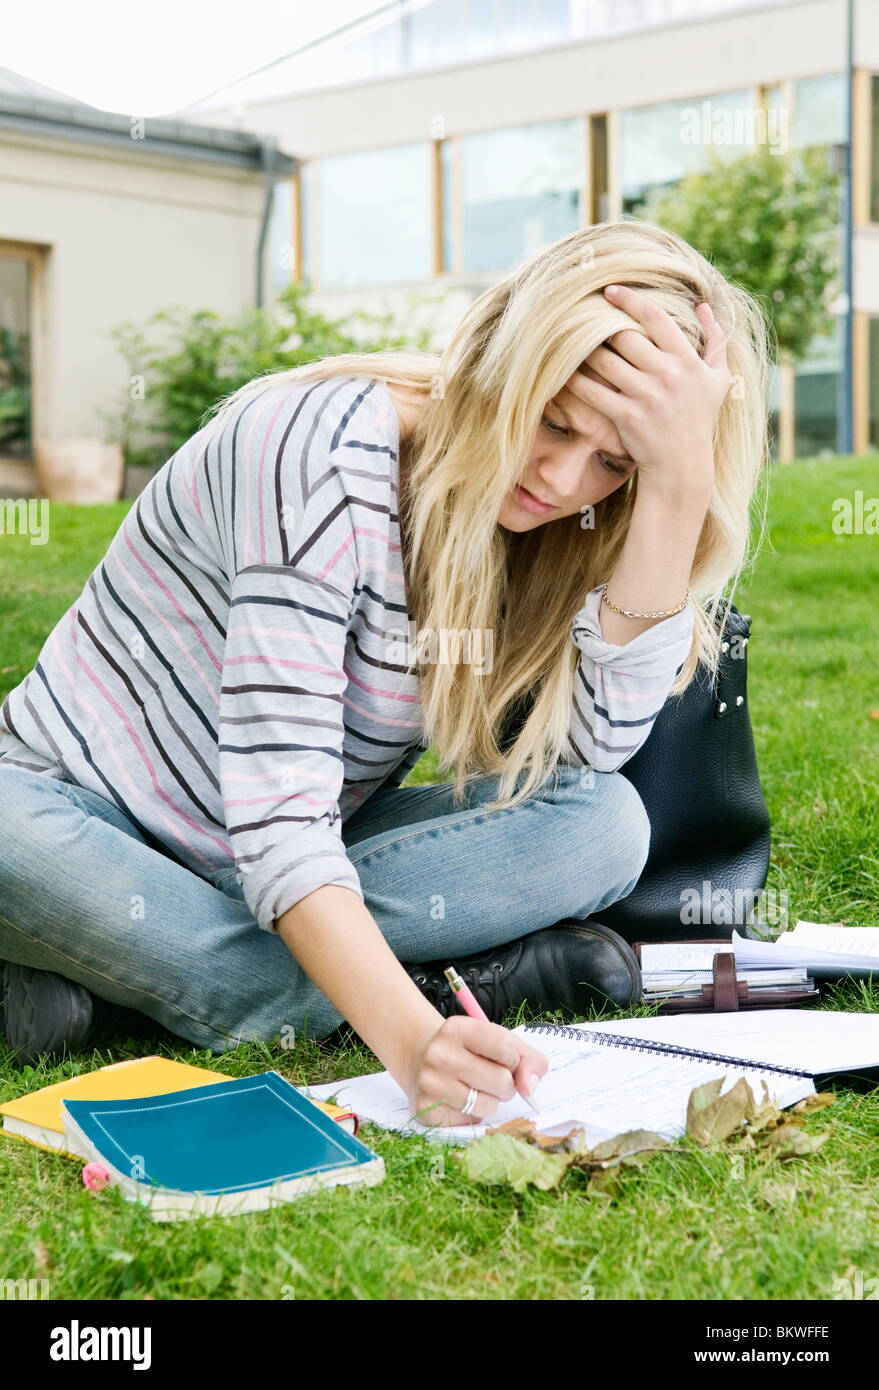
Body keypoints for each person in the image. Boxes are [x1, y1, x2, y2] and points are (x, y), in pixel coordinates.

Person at [0, 219, 770, 1127]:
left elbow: (595, 747)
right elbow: (278, 816)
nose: (561, 480)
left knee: (602, 824)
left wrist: (676, 485)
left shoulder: (563, 519)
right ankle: (349, 988)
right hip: (76, 817)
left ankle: (123, 987)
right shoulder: (316, 452)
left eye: (613, 462)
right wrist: (410, 1041)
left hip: (292, 856)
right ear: (498, 362)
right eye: (553, 422)